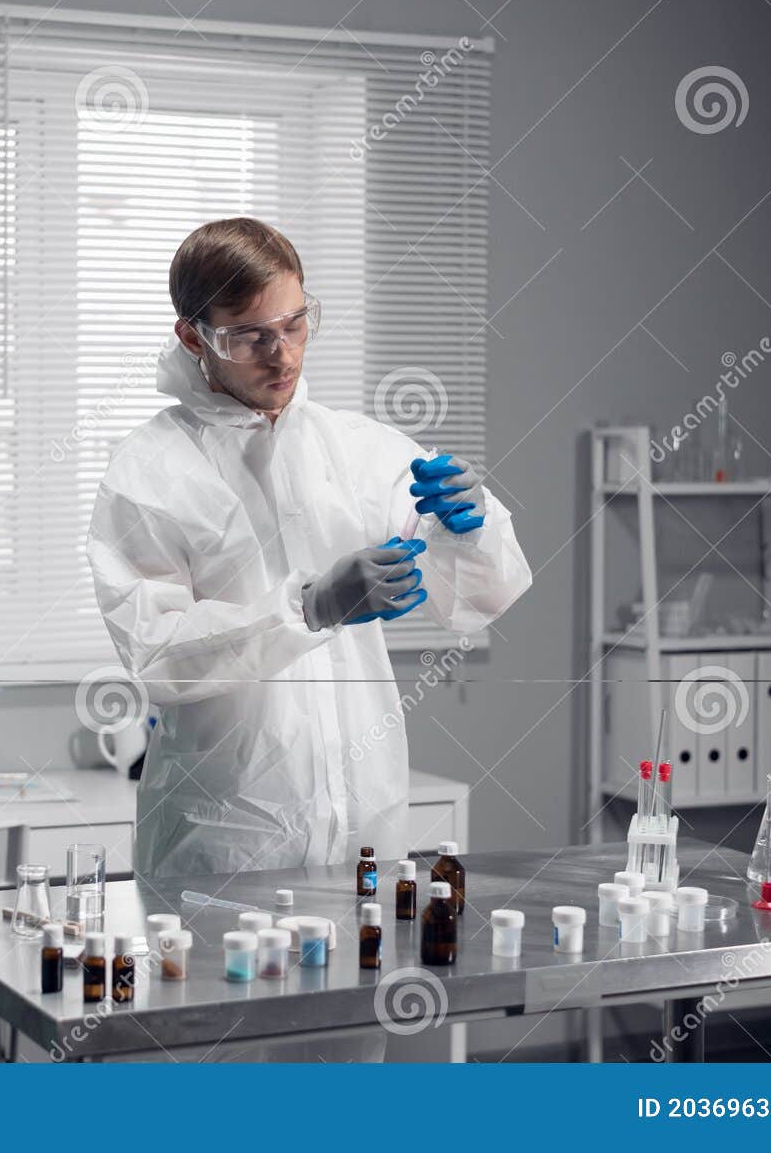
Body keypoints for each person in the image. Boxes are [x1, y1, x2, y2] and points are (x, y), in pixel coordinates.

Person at [88, 217, 532, 883]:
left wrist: (472, 527)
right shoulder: (149, 470)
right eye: (250, 336)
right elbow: (159, 657)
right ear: (193, 336)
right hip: (222, 842)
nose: (283, 355)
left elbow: (479, 599)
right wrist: (309, 607)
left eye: (295, 324)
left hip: (365, 829)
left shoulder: (358, 450)